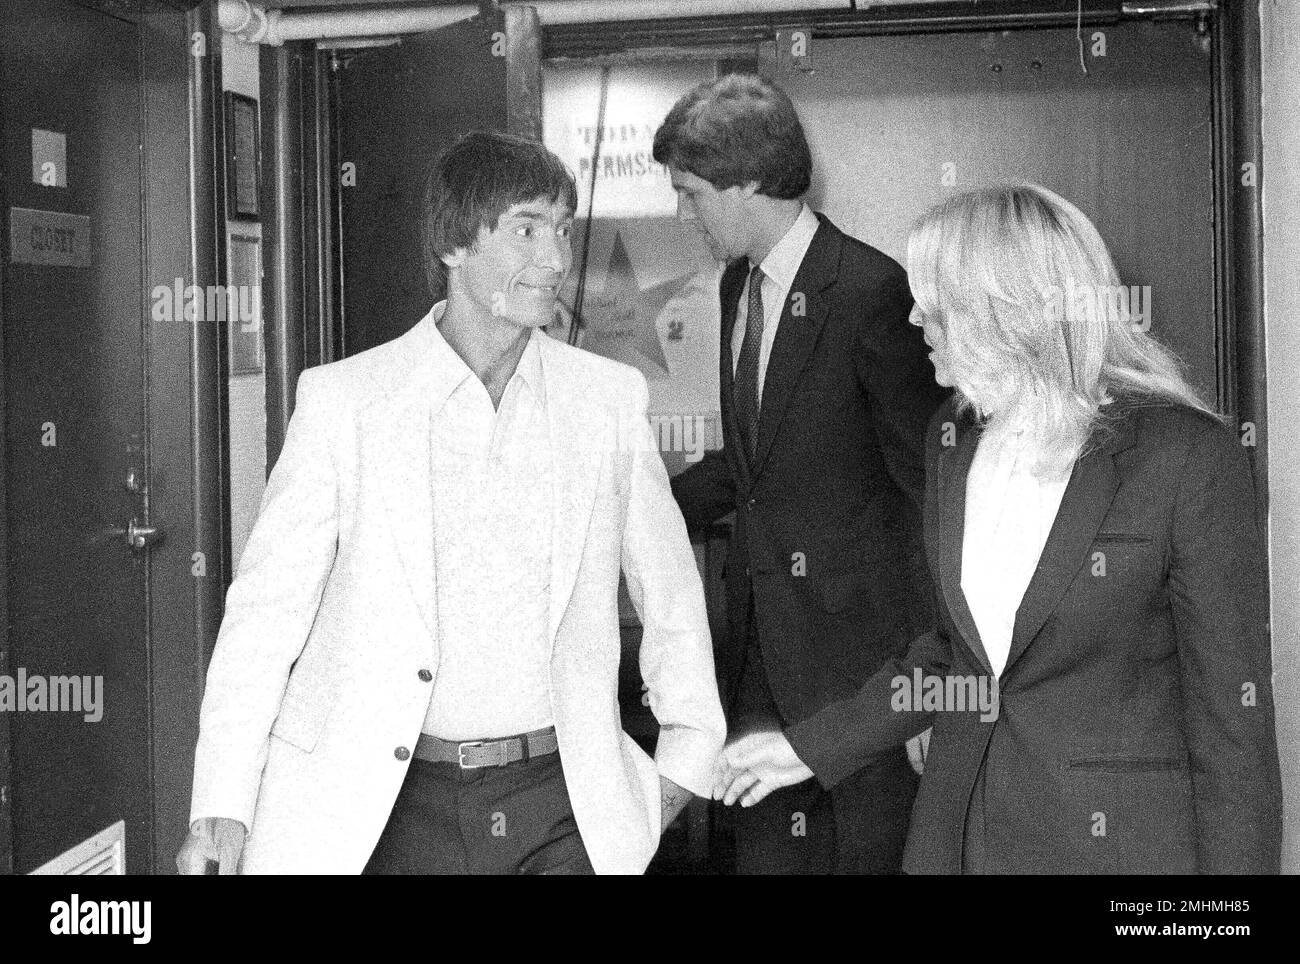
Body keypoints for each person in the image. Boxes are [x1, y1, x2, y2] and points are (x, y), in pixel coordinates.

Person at [176, 131, 725, 875]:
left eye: (563, 230)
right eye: (527, 229)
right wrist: (221, 806)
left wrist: (683, 764)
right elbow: (263, 619)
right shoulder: (346, 402)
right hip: (388, 806)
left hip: (563, 804)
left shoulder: (606, 401)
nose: (557, 259)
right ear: (455, 245)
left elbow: (669, 595)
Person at [717, 183, 1283, 874]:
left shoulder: (1184, 459)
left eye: (936, 299)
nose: (916, 314)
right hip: (957, 840)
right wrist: (812, 746)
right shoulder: (951, 441)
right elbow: (959, 664)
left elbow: (1234, 733)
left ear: (1009, 309)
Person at [653, 74, 948, 874]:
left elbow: (932, 494)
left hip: (864, 682)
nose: (685, 215)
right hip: (758, 674)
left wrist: (925, 696)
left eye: (690, 193)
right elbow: (754, 470)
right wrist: (634, 509)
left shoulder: (871, 292)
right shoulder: (735, 284)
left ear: (748, 181)